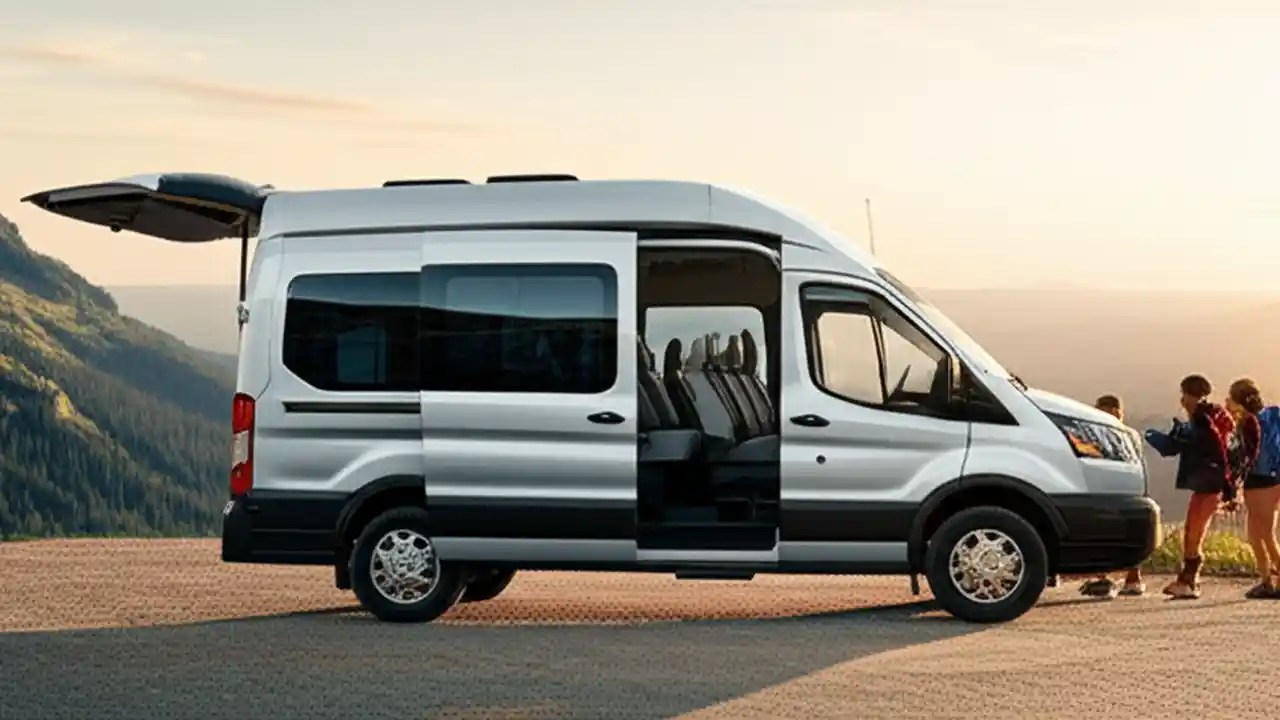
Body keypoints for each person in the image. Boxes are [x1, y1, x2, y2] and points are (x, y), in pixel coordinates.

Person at [1143, 374, 1236, 600]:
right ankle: (1186, 580)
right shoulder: (1213, 417)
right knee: (1193, 532)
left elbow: (1215, 451)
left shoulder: (1203, 421)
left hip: (1209, 484)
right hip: (1211, 483)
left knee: (1194, 534)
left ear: (1190, 395)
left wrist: (1151, 436)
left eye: (1184, 395)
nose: (1182, 401)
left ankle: (1189, 582)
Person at [1078, 395, 1146, 598]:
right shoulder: (1126, 435)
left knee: (1126, 533)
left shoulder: (1124, 435)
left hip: (1118, 488)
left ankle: (1129, 578)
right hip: (1113, 487)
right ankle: (1107, 578)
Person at [1226, 378, 1280, 599]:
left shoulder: (1248, 423)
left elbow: (1241, 458)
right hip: (1274, 477)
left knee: (1264, 534)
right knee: (1256, 534)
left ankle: (1270, 581)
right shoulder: (1273, 416)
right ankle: (1266, 580)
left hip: (1260, 480)